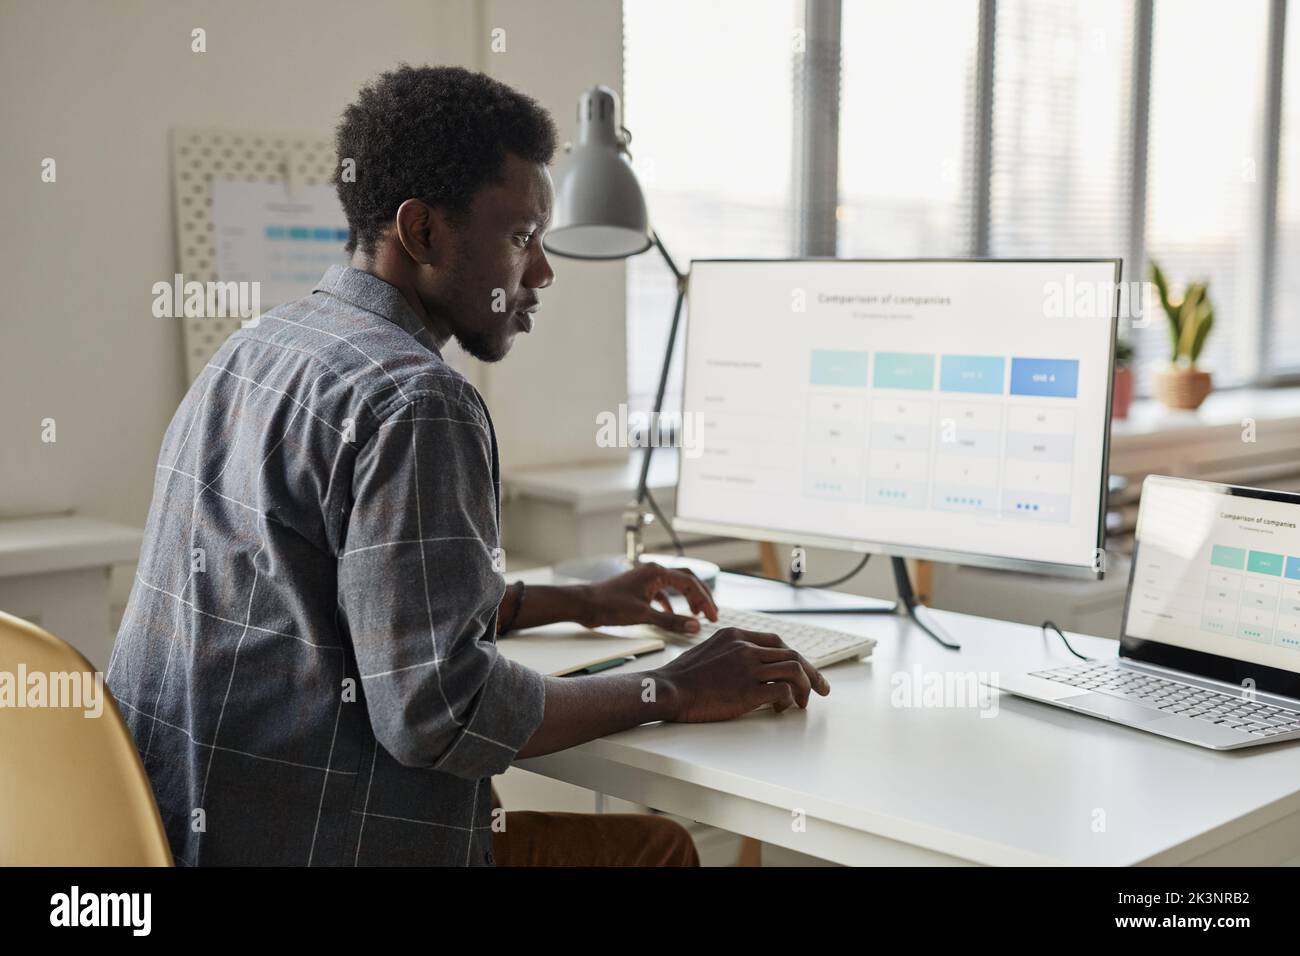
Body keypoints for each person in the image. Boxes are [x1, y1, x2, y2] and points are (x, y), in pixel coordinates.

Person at [108, 64, 828, 867]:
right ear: (422, 233)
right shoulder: (416, 400)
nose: (543, 272)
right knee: (656, 852)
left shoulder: (255, 349)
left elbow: (361, 604)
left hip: (173, 834)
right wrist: (676, 687)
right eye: (522, 237)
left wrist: (579, 599)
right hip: (322, 843)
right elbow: (439, 712)